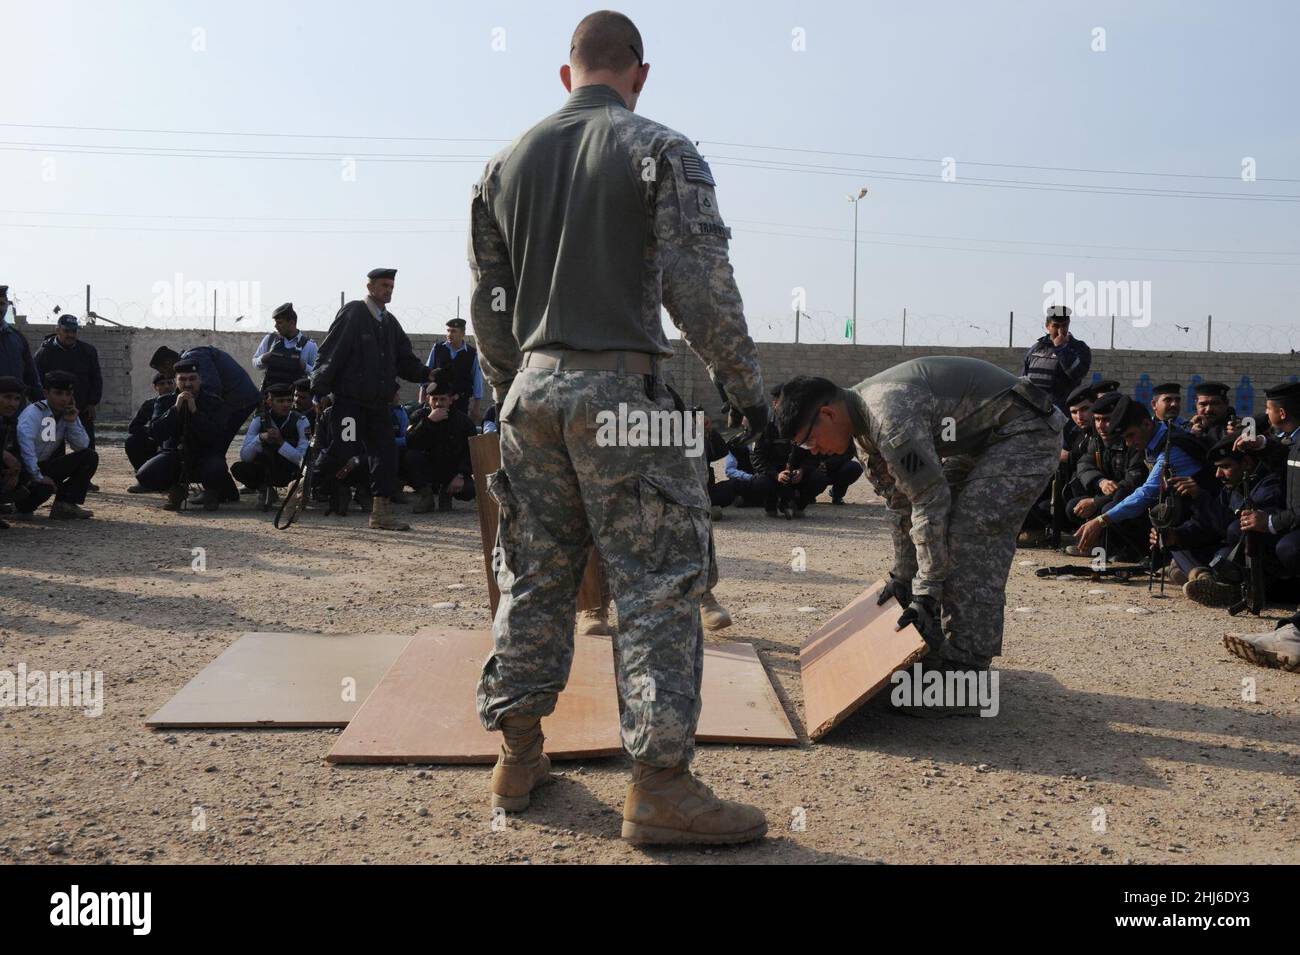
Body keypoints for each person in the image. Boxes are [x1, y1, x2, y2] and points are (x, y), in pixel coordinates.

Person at [468, 11, 768, 845]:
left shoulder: (500, 166)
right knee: (659, 582)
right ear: (639, 74)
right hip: (626, 395)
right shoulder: (661, 148)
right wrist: (749, 394)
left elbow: (490, 311)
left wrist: (513, 395)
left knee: (535, 575)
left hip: (530, 392)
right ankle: (661, 787)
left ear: (566, 75)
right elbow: (700, 287)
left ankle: (519, 755)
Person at [774, 358, 1064, 707]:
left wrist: (925, 592)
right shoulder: (864, 437)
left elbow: (929, 500)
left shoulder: (888, 419)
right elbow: (901, 505)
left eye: (808, 441)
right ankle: (936, 648)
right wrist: (903, 577)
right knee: (943, 534)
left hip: (1025, 432)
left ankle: (966, 673)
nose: (813, 451)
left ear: (828, 414)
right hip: (980, 442)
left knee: (970, 534)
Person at [310, 267, 438, 531]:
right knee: (342, 450)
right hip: (349, 402)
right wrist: (319, 388)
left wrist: (427, 373)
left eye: (391, 286)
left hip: (378, 405)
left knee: (386, 455)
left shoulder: (389, 323)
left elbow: (405, 360)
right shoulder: (354, 313)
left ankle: (380, 514)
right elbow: (332, 351)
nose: (388, 290)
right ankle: (303, 487)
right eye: (383, 286)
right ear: (370, 287)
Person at [1074, 395, 1215, 558]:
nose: (1128, 443)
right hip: (1182, 509)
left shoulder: (1172, 448)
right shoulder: (1154, 439)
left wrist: (1100, 521)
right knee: (1122, 498)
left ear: (1147, 424)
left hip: (1204, 516)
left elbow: (1147, 493)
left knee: (1132, 509)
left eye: (1130, 435)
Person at [149, 342, 261, 501]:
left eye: (164, 371)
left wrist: (199, 411)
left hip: (238, 402)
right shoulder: (194, 355)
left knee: (216, 444)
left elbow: (211, 388)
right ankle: (225, 491)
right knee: (213, 445)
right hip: (238, 400)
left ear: (168, 363)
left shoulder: (194, 357)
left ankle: (216, 492)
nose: (167, 376)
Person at [136, 358, 230, 511]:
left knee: (217, 467)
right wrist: (175, 409)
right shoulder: (165, 401)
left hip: (204, 455)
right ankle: (176, 489)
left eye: (192, 379)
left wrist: (195, 412)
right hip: (174, 455)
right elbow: (155, 432)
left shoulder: (214, 402)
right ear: (176, 380)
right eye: (183, 379)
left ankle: (211, 492)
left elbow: (216, 435)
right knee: (145, 475)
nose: (188, 384)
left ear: (200, 379)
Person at [14, 369, 98, 519]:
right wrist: (37, 476)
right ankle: (19, 506)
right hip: (22, 469)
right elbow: (26, 446)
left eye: (68, 394)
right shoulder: (35, 412)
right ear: (46, 393)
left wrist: (71, 422)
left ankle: (65, 504)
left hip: (42, 465)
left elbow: (82, 446)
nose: (64, 399)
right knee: (43, 489)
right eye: (58, 393)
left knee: (89, 457)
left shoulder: (67, 412)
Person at [404, 370, 477, 513]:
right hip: (428, 467)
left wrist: (461, 475)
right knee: (409, 458)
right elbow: (410, 442)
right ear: (428, 399)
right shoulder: (419, 416)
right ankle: (426, 496)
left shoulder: (464, 422)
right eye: (434, 399)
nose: (438, 403)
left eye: (442, 399)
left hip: (451, 469)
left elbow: (472, 453)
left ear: (450, 400)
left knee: (469, 490)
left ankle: (447, 493)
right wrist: (429, 422)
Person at [231, 381, 310, 508]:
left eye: (289, 400)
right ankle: (265, 491)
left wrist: (281, 443)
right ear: (269, 402)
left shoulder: (300, 421)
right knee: (239, 468)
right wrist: (261, 438)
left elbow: (303, 459)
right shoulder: (259, 419)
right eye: (280, 401)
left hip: (288, 471)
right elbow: (245, 456)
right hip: (266, 469)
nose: (286, 405)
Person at [34, 314, 103, 458]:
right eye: (67, 331)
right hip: (50, 413)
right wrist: (42, 405)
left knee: (86, 448)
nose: (71, 335)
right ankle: (52, 478)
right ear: (58, 330)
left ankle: (83, 480)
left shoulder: (88, 351)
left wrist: (92, 403)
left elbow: (96, 378)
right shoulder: (44, 353)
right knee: (50, 449)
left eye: (74, 331)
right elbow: (35, 380)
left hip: (81, 409)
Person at [1022, 304, 1091, 410]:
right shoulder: (1036, 349)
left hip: (1062, 413)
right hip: (1035, 410)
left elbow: (1077, 373)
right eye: (1056, 326)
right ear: (1048, 326)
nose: (1060, 331)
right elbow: (1024, 380)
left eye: (1064, 326)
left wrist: (1061, 348)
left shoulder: (1079, 348)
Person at [423, 317, 484, 419]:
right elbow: (426, 373)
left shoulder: (471, 354)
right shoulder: (438, 348)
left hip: (460, 401)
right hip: (438, 401)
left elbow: (477, 380)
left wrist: (476, 406)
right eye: (448, 331)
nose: (449, 334)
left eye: (454, 331)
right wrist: (422, 397)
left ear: (462, 334)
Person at [126, 372, 177, 488]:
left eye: (169, 383)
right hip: (155, 443)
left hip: (174, 445)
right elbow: (134, 427)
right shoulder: (150, 404)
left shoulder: (180, 402)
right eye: (162, 384)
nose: (166, 386)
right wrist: (152, 432)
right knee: (132, 441)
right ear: (155, 387)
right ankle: (145, 479)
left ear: (175, 384)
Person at [252, 303, 317, 393]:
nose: (275, 326)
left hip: (294, 400)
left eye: (279, 323)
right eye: (275, 322)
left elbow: (317, 374)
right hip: (270, 399)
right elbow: (255, 363)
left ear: (292, 323)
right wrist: (263, 358)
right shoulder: (270, 339)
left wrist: (305, 366)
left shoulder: (309, 345)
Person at [0, 286, 43, 402]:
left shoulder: (17, 338)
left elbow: (31, 376)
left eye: (2, 304)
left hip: (15, 409)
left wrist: (40, 403)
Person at [0, 376, 29, 528]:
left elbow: (18, 452)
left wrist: (15, 471)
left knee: (28, 478)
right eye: (7, 397)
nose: (12, 404)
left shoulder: (10, 422)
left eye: (17, 399)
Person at [1188, 381, 1231, 445]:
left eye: (1215, 404)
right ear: (1196, 405)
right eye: (1203, 404)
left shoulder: (1238, 430)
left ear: (1226, 404)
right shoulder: (1187, 429)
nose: (1208, 410)